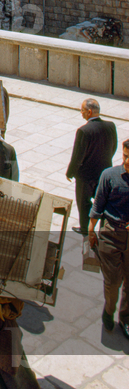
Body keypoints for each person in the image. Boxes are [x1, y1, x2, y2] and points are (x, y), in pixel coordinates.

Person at [88, 138, 129, 337]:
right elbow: (98, 204)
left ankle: (126, 318)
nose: (128, 161)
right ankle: (109, 310)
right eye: (126, 156)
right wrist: (90, 230)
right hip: (111, 234)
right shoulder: (109, 175)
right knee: (113, 282)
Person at [67, 98, 118, 236]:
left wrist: (70, 172)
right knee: (102, 201)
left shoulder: (83, 131)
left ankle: (85, 228)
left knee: (84, 203)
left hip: (86, 176)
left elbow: (78, 156)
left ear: (89, 112)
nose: (81, 113)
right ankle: (103, 228)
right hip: (104, 172)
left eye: (82, 111)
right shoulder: (110, 126)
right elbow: (114, 147)